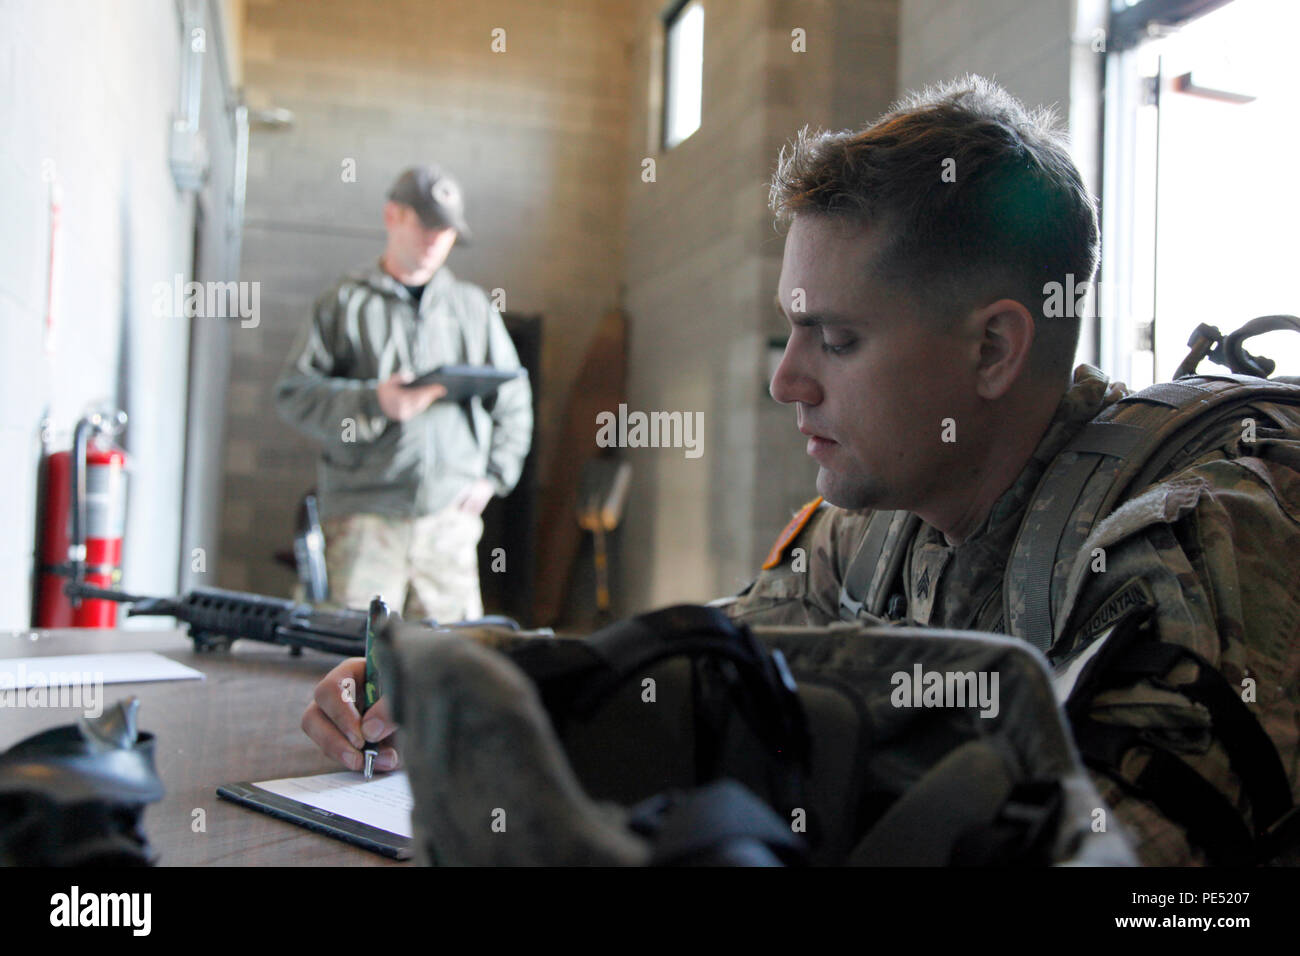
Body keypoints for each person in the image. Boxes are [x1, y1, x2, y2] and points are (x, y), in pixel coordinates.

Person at [301, 79, 1300, 864]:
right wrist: (465, 680)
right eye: (790, 327)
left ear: (993, 351)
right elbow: (710, 666)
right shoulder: (877, 519)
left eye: (836, 338)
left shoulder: (1197, 549)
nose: (786, 379)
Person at [275, 164, 532, 636]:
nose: (437, 240)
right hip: (363, 524)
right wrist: (374, 403)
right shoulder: (344, 303)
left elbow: (514, 398)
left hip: (447, 524)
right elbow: (294, 395)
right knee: (351, 663)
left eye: (448, 231)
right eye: (426, 224)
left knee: (454, 666)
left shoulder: (472, 309)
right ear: (392, 216)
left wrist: (494, 476)